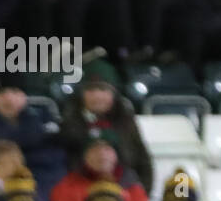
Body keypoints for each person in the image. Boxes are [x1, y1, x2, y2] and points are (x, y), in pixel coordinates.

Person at [57, 59, 153, 190]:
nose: (97, 96)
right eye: (90, 89)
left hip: (125, 193)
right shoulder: (70, 122)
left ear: (113, 93)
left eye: (102, 89)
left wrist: (141, 196)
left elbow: (143, 162)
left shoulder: (125, 121)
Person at [50, 132, 153, 201]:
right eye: (94, 150)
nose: (102, 154)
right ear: (84, 157)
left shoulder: (132, 185)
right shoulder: (66, 188)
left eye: (107, 149)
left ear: (116, 154)